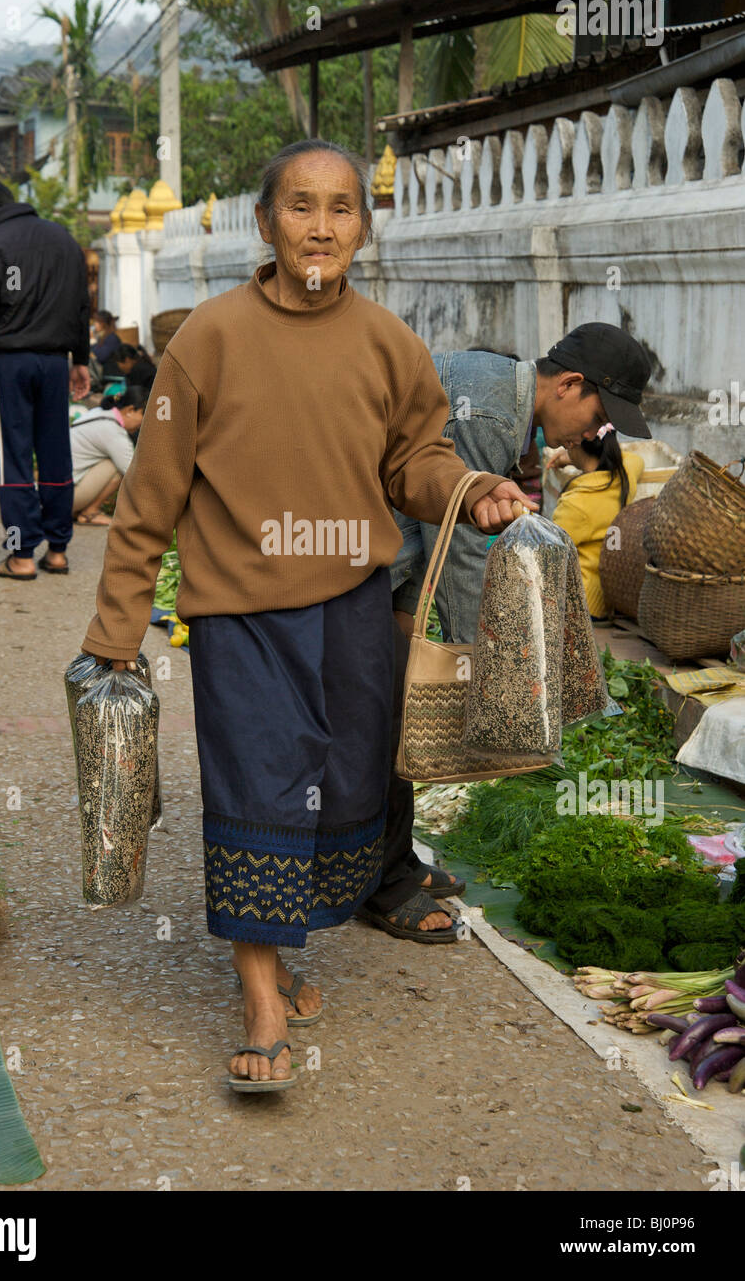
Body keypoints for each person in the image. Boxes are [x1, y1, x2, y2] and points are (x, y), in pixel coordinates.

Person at [82, 139, 532, 1090]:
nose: (321, 225)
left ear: (362, 229)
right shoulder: (207, 338)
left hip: (355, 612)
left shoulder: (387, 343)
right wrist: (116, 630)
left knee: (340, 791)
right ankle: (257, 1001)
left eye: (341, 207)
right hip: (242, 616)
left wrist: (476, 488)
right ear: (265, 222)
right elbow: (149, 499)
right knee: (257, 788)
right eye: (300, 205)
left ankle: (276, 950)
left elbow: (418, 461)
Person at [373, 325, 654, 941]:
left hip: (391, 561)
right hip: (355, 558)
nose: (593, 437)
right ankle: (380, 883)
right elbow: (467, 554)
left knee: (395, 708)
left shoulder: (500, 398)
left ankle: (393, 861)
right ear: (569, 385)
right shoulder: (492, 412)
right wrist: (505, 678)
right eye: (599, 418)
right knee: (380, 722)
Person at [0, 172, 90, 578]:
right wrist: (79, 359)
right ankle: (58, 550)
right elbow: (81, 303)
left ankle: (20, 554)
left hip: (7, 364)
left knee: (10, 461)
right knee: (54, 455)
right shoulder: (63, 239)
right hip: (53, 363)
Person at [551, 427, 643, 619]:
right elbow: (636, 460)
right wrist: (576, 457)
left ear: (576, 445)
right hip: (609, 596)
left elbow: (551, 556)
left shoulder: (576, 504)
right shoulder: (625, 476)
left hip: (581, 603)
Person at [70, 385, 146, 525]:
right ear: (130, 410)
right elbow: (135, 474)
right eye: (143, 416)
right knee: (117, 466)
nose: (142, 425)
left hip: (55, 491)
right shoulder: (113, 432)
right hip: (65, 497)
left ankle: (79, 510)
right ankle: (89, 513)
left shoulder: (100, 412)